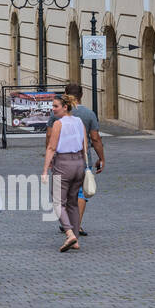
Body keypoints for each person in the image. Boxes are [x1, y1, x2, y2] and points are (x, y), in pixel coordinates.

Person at [43, 84, 106, 237]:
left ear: (65, 96)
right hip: (83, 160)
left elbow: (50, 137)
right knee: (80, 194)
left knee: (61, 197)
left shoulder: (57, 115)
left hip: (62, 161)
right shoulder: (89, 114)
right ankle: (77, 226)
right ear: (82, 95)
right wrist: (101, 158)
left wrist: (48, 159)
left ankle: (69, 228)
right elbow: (95, 138)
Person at [43, 93, 87, 253]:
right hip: (79, 164)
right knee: (73, 202)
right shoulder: (79, 121)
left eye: (56, 106)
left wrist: (44, 170)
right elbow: (84, 146)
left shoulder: (58, 124)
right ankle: (75, 239)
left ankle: (69, 233)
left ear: (65, 107)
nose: (53, 109)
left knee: (57, 202)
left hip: (63, 163)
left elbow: (51, 147)